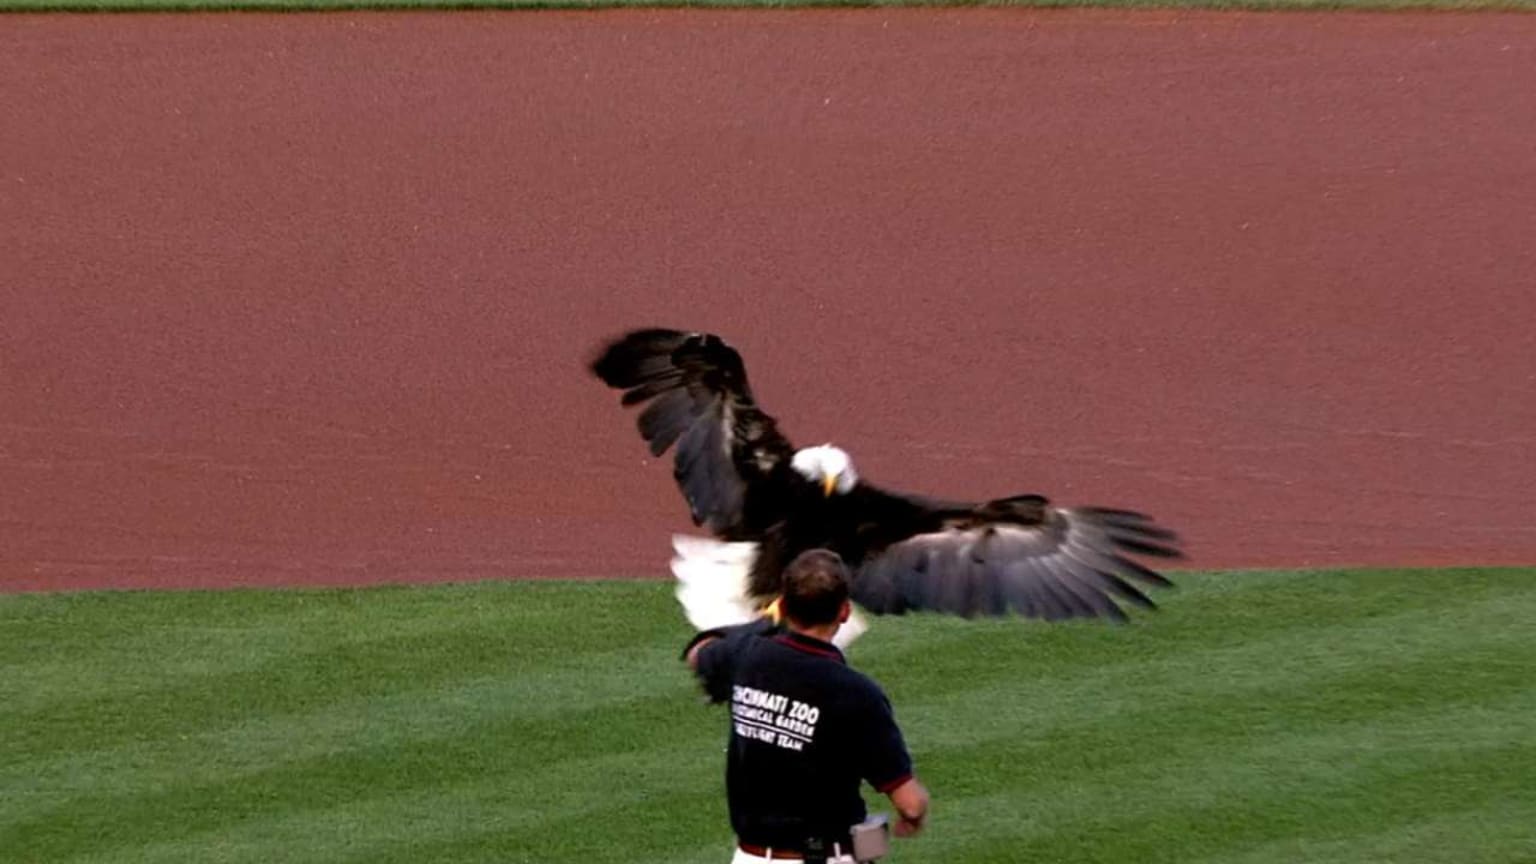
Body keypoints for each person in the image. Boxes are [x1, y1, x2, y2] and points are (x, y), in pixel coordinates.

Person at [683, 549, 930, 863]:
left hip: (750, 857)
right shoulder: (856, 693)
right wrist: (913, 818)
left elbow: (700, 653)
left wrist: (763, 624)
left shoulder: (745, 656)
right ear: (844, 612)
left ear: (784, 606)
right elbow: (910, 803)